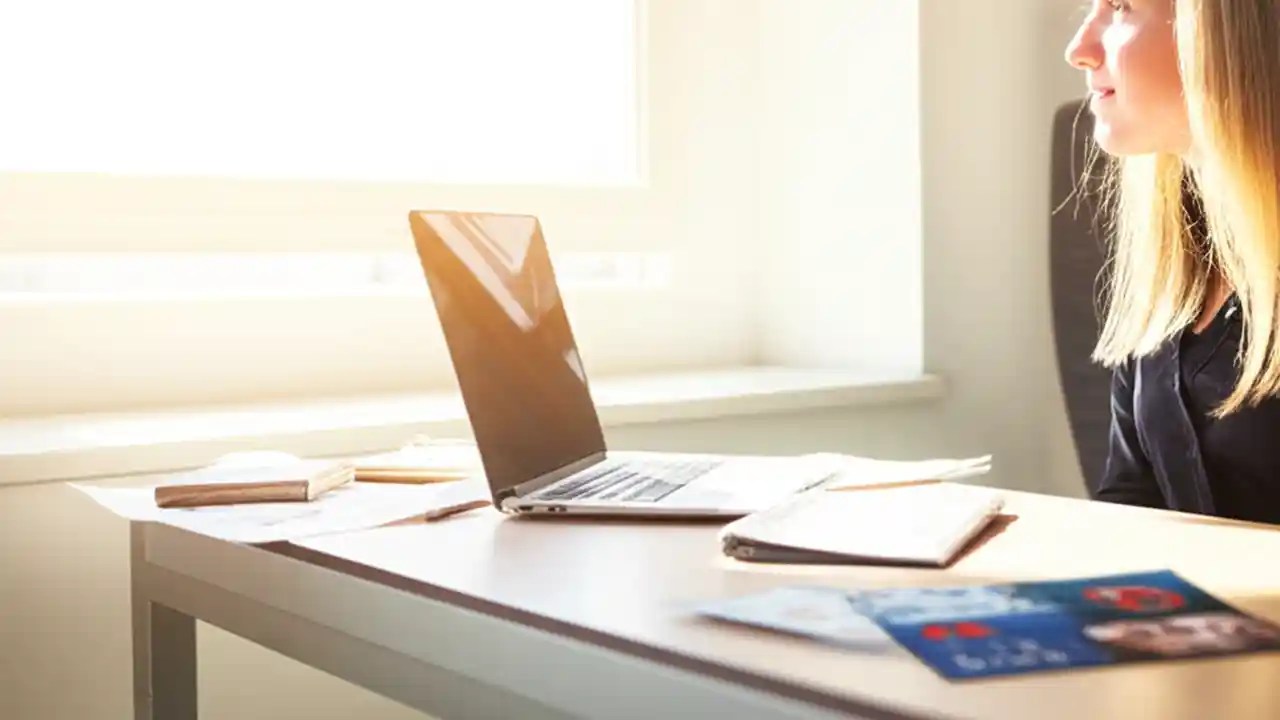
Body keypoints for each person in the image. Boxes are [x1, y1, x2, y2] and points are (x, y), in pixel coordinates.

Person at [1065, 0, 1280, 523]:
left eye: (1120, 7)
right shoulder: (1170, 273)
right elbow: (1131, 507)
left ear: (1223, 32)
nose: (1079, 51)